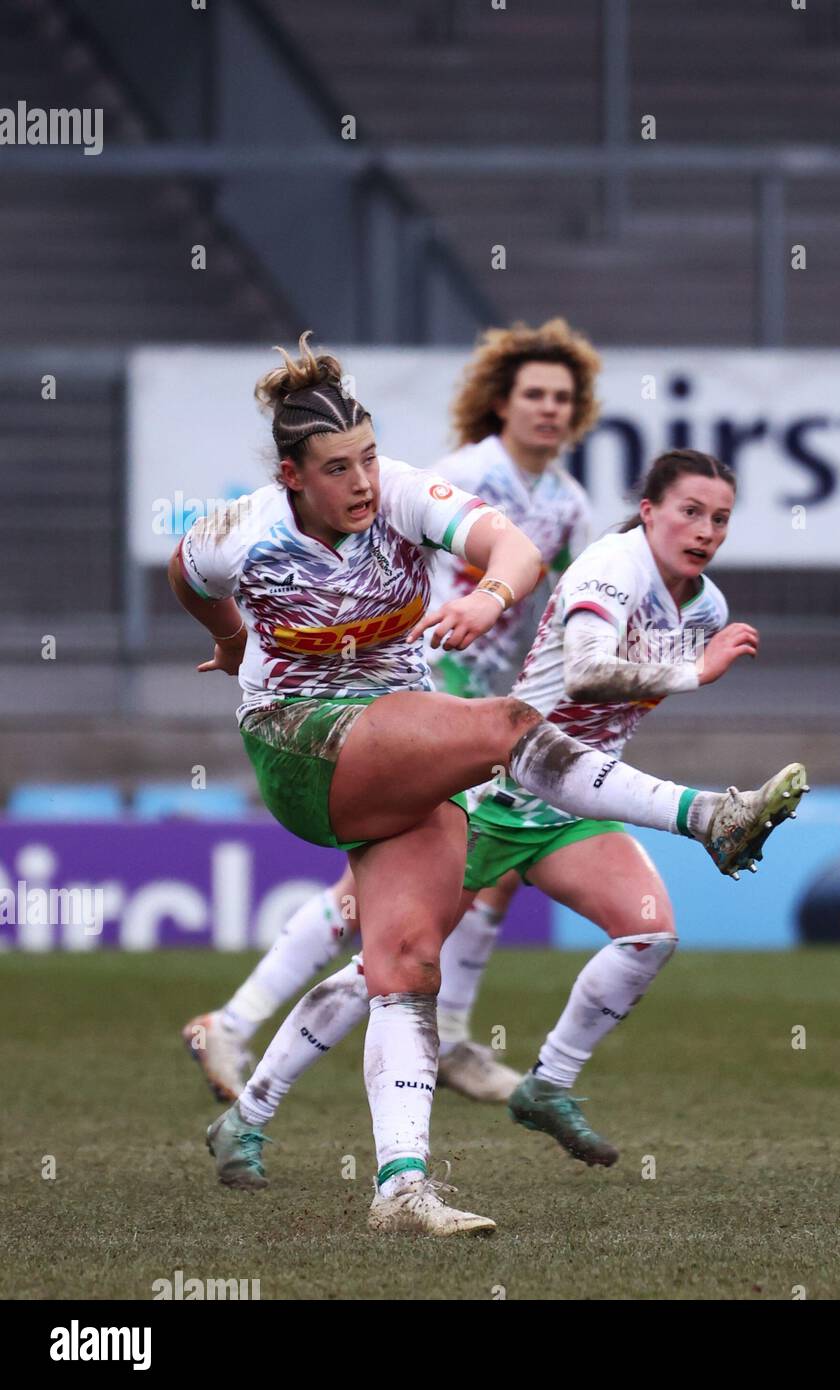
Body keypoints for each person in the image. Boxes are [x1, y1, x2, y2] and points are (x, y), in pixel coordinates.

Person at [174, 332, 806, 1236]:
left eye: (367, 458)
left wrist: (489, 597)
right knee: (509, 726)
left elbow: (504, 547)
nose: (361, 482)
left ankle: (398, 1186)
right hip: (298, 740)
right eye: (336, 469)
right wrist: (234, 642)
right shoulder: (242, 531)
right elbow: (186, 577)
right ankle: (707, 816)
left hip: (395, 741)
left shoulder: (403, 491)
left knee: (403, 967)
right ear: (291, 476)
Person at [183, 319, 600, 1106]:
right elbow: (205, 569)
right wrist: (233, 637)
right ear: (500, 405)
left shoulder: (569, 503)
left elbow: (576, 592)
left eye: (564, 398)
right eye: (535, 395)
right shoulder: (456, 472)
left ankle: (426, 1029)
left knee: (483, 871)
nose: (550, 410)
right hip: (422, 678)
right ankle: (243, 1025)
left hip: (483, 691)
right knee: (398, 881)